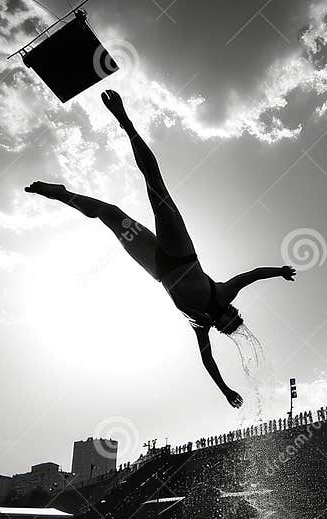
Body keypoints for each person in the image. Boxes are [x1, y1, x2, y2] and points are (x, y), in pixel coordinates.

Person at [26, 90, 297, 407]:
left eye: (226, 326)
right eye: (231, 318)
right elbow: (252, 275)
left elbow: (207, 361)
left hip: (157, 266)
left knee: (109, 214)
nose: (227, 320)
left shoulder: (200, 324)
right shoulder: (223, 294)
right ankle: (125, 122)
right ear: (231, 311)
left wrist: (225, 390)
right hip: (181, 251)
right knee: (155, 183)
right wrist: (280, 271)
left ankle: (62, 194)